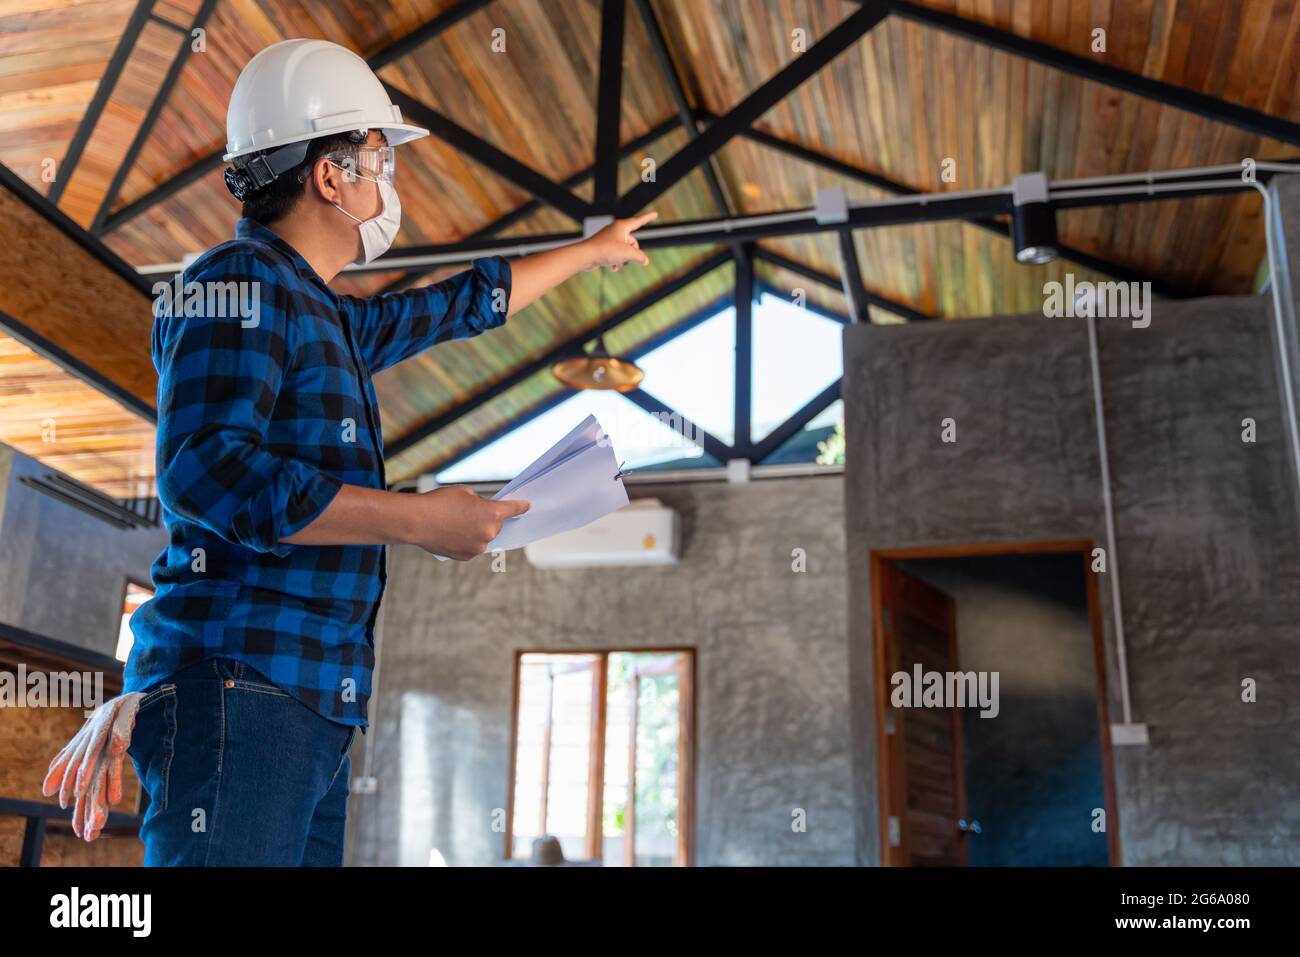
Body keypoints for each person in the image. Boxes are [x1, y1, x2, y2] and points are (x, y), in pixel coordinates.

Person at [41, 38, 656, 865]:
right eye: (377, 155)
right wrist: (418, 521)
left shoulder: (321, 312)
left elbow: (459, 306)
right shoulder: (238, 283)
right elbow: (205, 472)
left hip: (305, 697)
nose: (387, 177)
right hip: (244, 681)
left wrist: (591, 250)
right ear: (330, 176)